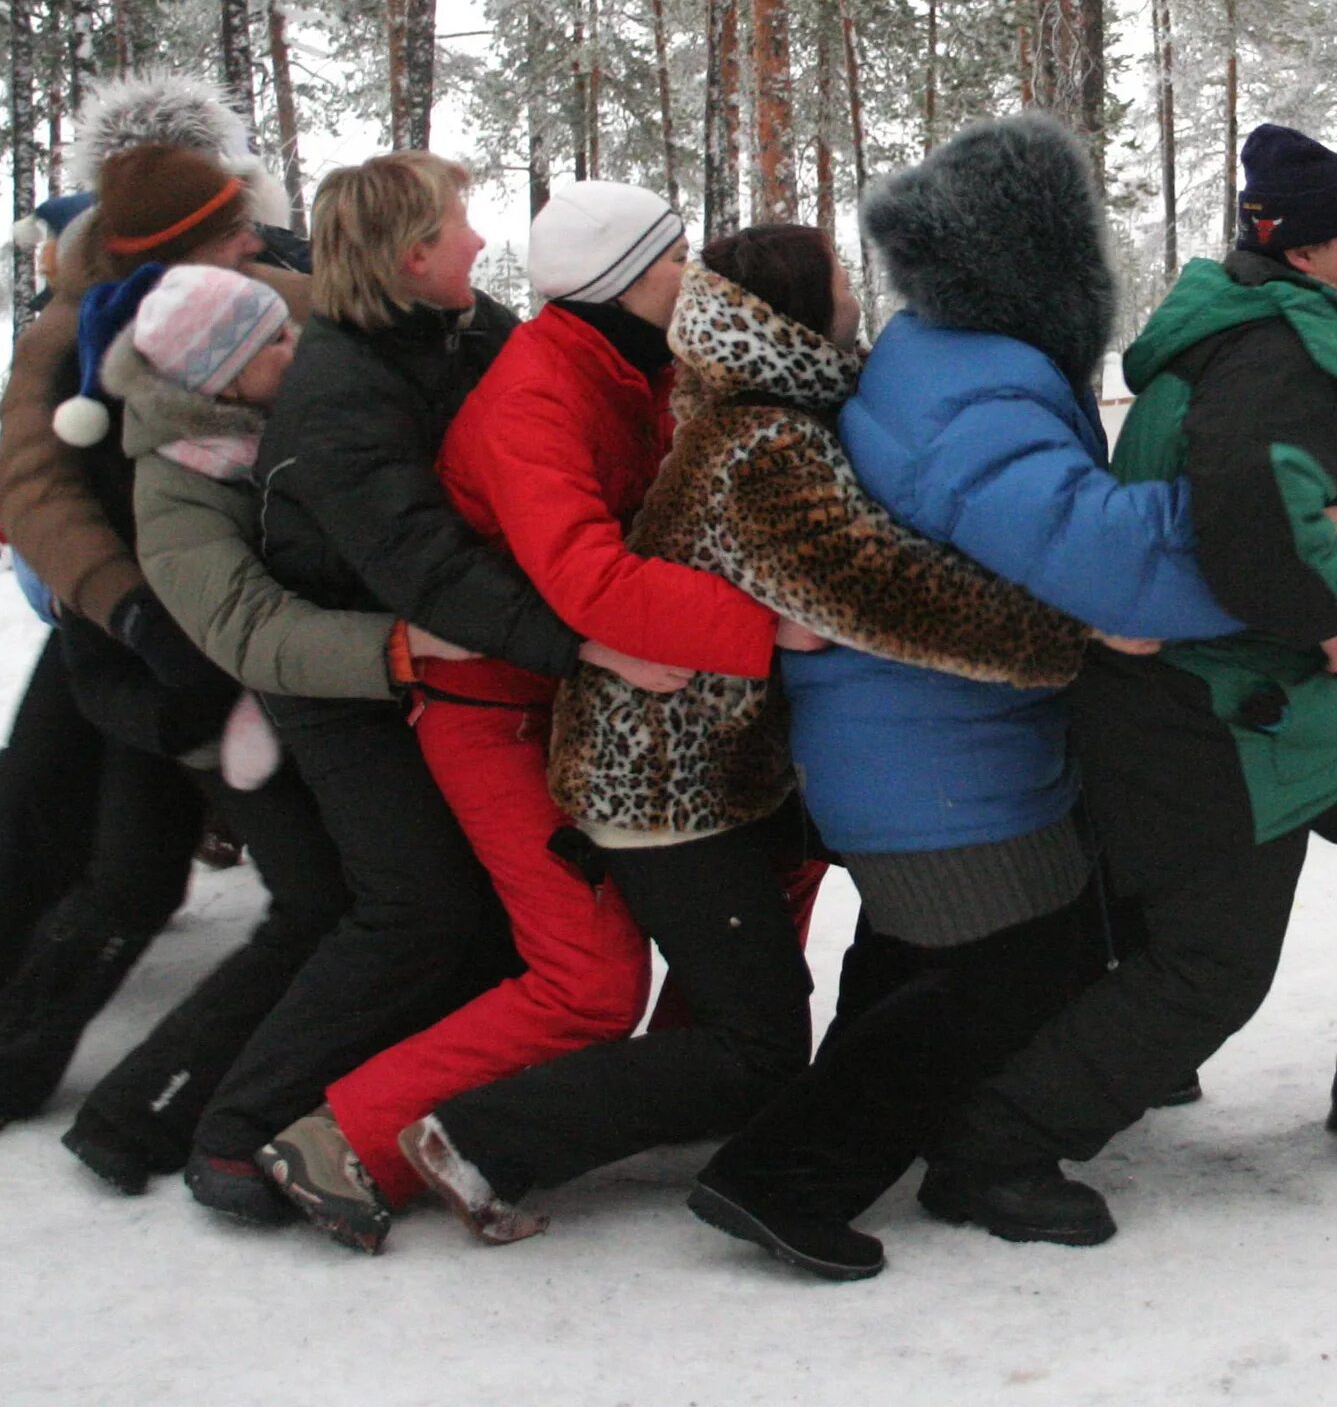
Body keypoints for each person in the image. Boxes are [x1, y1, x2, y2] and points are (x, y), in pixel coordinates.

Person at [402, 224, 1102, 1254]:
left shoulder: (760, 409)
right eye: (841, 281)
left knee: (838, 979)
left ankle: (850, 1123)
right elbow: (884, 592)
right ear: (794, 311)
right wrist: (1067, 628)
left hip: (704, 767)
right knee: (756, 1048)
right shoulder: (768, 444)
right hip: (662, 783)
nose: (860, 293)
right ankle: (478, 1134)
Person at [924, 124, 1337, 1252]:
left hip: (1256, 676)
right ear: (1302, 252)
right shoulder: (1274, 349)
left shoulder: (1274, 329)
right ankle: (990, 1148)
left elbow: (1305, 498)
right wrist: (1335, 609)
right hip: (1201, 705)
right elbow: (1248, 518)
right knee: (1213, 968)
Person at [685, 114, 1242, 1281]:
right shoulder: (978, 383)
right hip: (937, 756)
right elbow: (1105, 556)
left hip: (905, 735)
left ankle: (843, 1133)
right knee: (1014, 969)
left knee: (924, 955)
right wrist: (1267, 549)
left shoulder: (937, 349)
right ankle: (786, 1173)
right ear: (1040, 264)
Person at [255, 179, 781, 1254]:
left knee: (768, 858)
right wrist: (777, 626)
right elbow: (586, 578)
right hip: (489, 711)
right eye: (678, 255)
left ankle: (695, 1090)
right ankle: (341, 1138)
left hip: (571, 706)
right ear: (624, 280)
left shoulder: (628, 359)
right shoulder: (538, 393)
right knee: (587, 979)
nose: (696, 273)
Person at [184, 154, 663, 1227]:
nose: (480, 243)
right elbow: (431, 566)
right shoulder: (337, 395)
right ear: (411, 256)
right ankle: (235, 1130)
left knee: (488, 914)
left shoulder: (457, 325)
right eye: (461, 226)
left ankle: (422, 1118)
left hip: (442, 659)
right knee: (413, 905)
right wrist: (591, 641)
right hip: (346, 677)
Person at [0, 80, 300, 1137]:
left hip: (214, 621)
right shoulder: (72, 325)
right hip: (120, 621)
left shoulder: (268, 290)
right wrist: (127, 606)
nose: (250, 241)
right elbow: (34, 481)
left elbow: (348, 319)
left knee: (137, 862)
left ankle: (11, 1061)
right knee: (25, 811)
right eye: (227, 230)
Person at [57, 265, 467, 1190]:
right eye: (274, 343)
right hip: (243, 727)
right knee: (343, 913)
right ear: (220, 377)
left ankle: (270, 1109)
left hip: (325, 706)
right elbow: (250, 630)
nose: (299, 346)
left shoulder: (280, 425)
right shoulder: (175, 486)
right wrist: (402, 646)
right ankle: (161, 1117)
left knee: (386, 914)